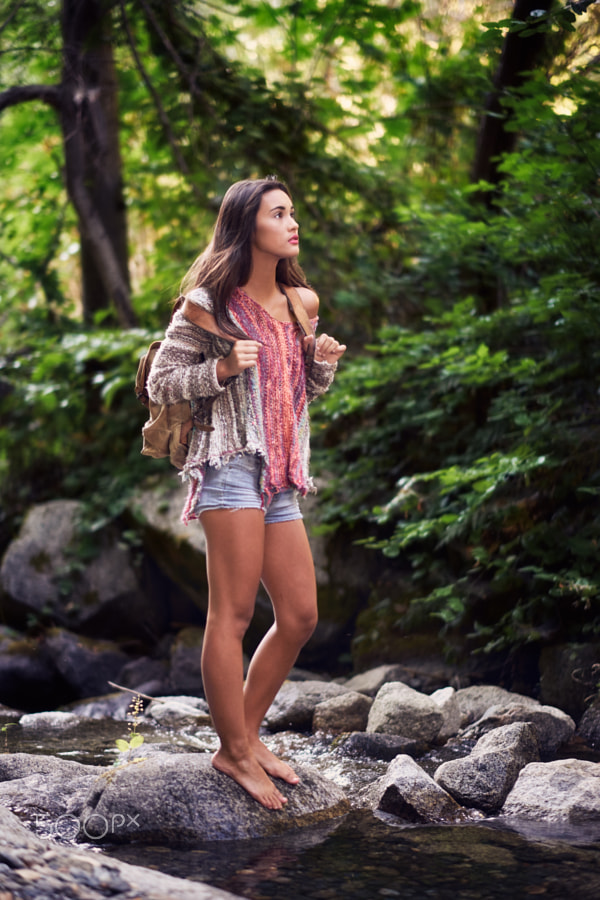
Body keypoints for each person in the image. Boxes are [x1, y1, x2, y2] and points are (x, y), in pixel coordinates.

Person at [147, 176, 346, 810]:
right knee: (230, 616)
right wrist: (223, 367)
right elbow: (161, 382)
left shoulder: (302, 302)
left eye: (292, 212)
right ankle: (232, 750)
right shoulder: (209, 303)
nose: (292, 223)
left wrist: (321, 363)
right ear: (246, 226)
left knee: (300, 615)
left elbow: (298, 391)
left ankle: (248, 736)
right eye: (278, 214)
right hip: (229, 464)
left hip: (281, 474)